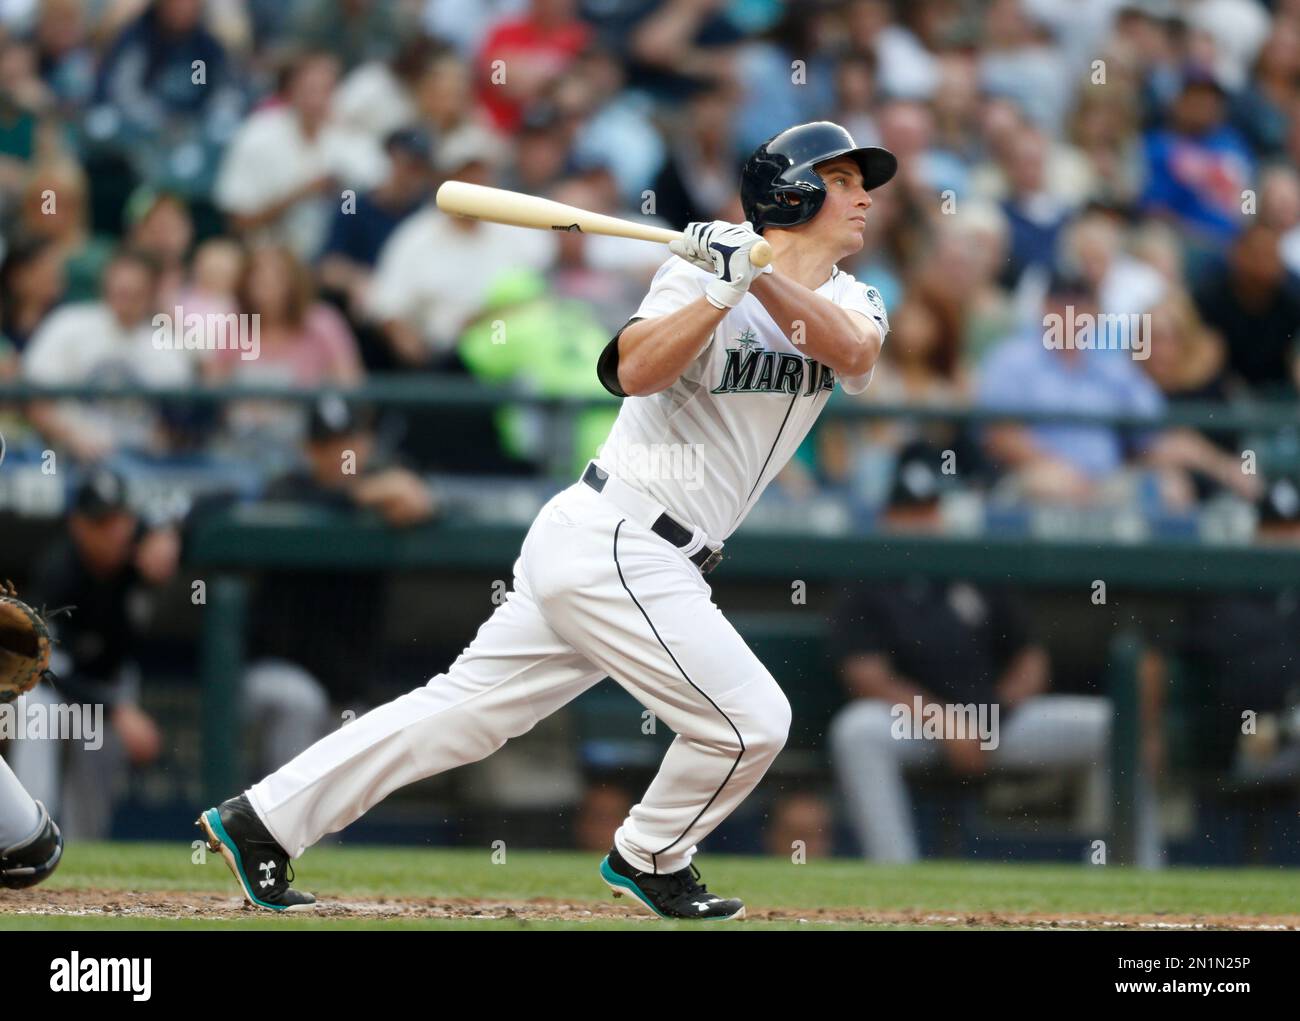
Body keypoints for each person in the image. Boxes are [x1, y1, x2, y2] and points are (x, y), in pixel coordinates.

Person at [198, 120, 896, 919]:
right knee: (752, 722)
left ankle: (263, 821)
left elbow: (852, 352)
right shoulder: (691, 274)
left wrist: (757, 275)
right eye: (841, 180)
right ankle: (652, 855)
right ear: (793, 193)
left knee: (461, 716)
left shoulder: (853, 297)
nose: (863, 197)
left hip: (633, 552)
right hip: (621, 538)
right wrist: (719, 289)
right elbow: (634, 370)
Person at [827, 445, 1111, 863]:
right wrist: (946, 723)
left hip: (997, 724)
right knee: (856, 732)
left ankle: (1123, 867)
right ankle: (893, 875)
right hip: (914, 729)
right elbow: (867, 676)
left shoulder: (972, 564)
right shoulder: (868, 577)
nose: (923, 523)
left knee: (1110, 726)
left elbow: (1030, 658)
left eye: (930, 510)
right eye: (911, 513)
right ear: (889, 517)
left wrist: (991, 716)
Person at [236, 396, 439, 779]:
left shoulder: (385, 489)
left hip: (345, 689)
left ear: (364, 444)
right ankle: (277, 825)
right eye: (327, 445)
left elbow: (421, 501)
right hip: (271, 674)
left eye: (348, 442)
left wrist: (393, 494)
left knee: (354, 724)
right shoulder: (287, 490)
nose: (340, 454)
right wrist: (363, 494)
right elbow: (302, 502)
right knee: (300, 702)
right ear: (308, 450)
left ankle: (313, 839)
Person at [7, 469, 174, 840]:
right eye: (103, 522)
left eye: (120, 519)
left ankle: (84, 841)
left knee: (98, 735)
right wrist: (116, 708)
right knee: (39, 710)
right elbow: (43, 670)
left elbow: (212, 505)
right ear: (79, 526)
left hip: (110, 680)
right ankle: (31, 835)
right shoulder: (59, 574)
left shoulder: (141, 547)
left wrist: (170, 534)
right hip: (53, 684)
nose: (115, 531)